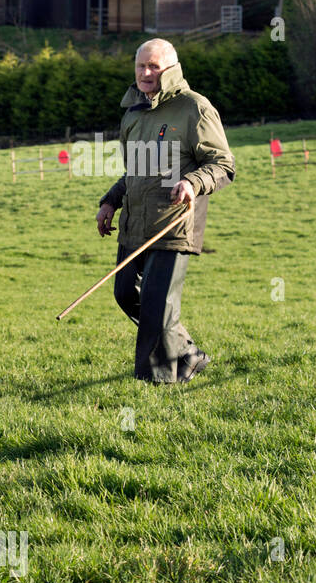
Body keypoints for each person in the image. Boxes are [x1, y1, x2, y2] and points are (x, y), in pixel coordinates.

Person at [96, 38, 234, 384]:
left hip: (173, 225)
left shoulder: (195, 109)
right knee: (125, 294)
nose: (145, 72)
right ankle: (188, 354)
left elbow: (223, 164)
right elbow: (135, 170)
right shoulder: (133, 113)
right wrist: (111, 200)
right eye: (140, 65)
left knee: (158, 307)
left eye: (153, 66)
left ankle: (154, 382)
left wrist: (193, 183)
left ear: (171, 69)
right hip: (134, 224)